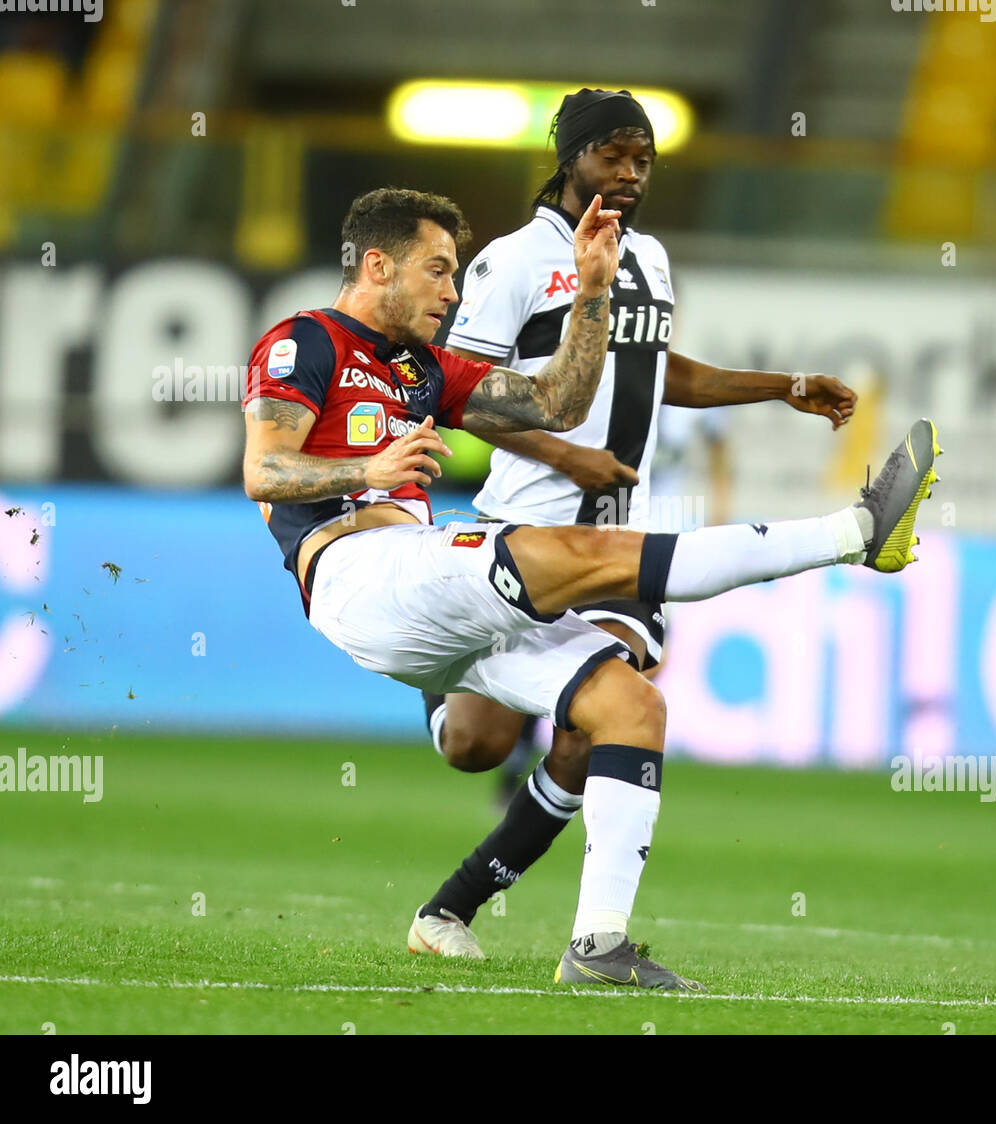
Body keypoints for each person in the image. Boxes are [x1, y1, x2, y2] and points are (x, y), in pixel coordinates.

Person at [242, 184, 942, 991]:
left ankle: (597, 948)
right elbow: (264, 470)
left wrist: (594, 291)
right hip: (355, 573)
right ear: (377, 264)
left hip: (424, 576)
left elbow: (558, 405)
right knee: (587, 554)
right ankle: (854, 535)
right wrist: (370, 468)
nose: (452, 291)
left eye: (456, 273)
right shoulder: (306, 341)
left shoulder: (425, 370)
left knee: (630, 708)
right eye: (437, 271)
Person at [417, 88, 861, 956]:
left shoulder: (649, 258)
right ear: (570, 158)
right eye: (611, 155)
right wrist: (564, 455)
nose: (627, 174)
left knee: (604, 724)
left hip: (619, 548)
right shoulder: (513, 263)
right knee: (473, 747)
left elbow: (658, 373)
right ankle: (428, 663)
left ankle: (508, 922)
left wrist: (780, 386)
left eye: (643, 160)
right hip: (522, 533)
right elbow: (456, 393)